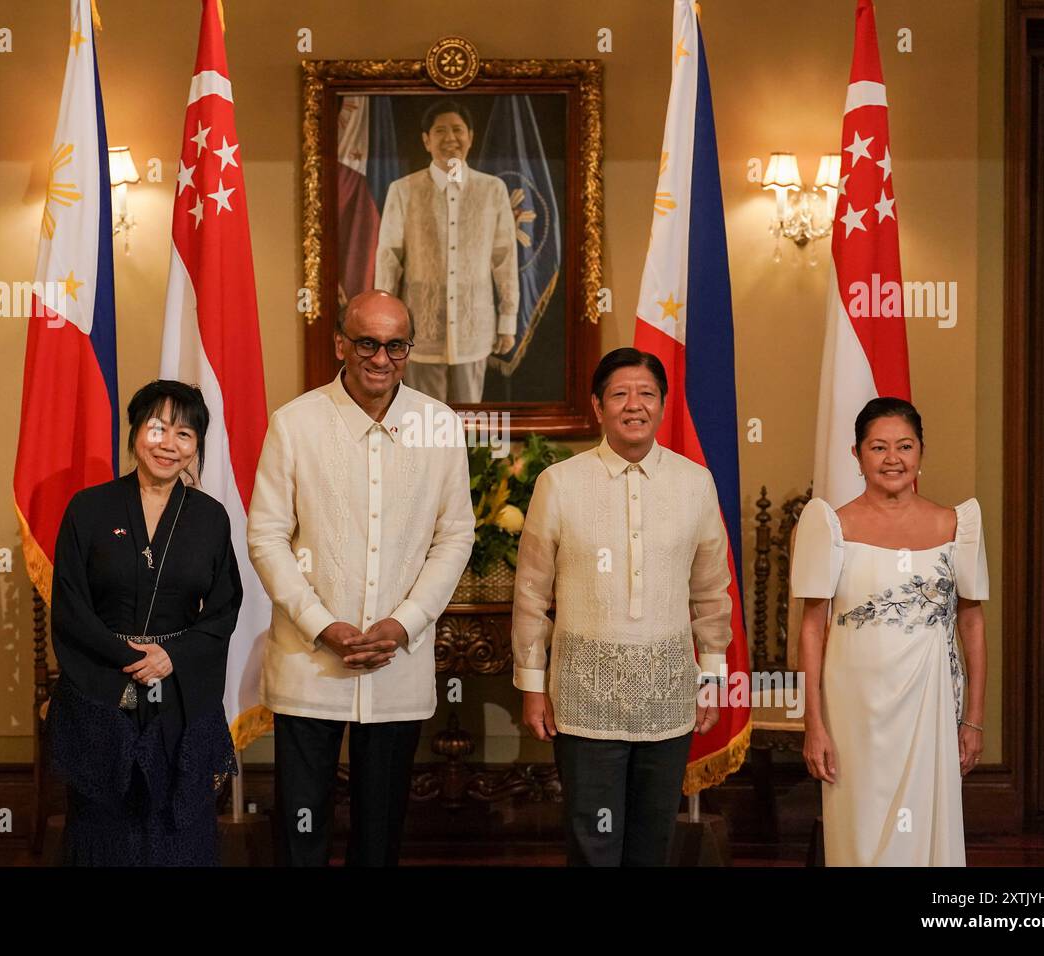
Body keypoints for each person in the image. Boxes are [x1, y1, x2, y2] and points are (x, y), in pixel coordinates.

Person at [248, 289, 475, 866]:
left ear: (409, 349)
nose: (381, 358)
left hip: (397, 663)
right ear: (341, 345)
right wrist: (321, 625)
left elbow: (455, 536)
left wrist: (404, 624)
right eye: (368, 343)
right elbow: (266, 536)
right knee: (302, 825)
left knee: (380, 832)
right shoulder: (295, 424)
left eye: (395, 345)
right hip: (309, 662)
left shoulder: (439, 425)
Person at [512, 348, 733, 866]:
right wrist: (530, 685)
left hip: (668, 697)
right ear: (597, 406)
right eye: (619, 394)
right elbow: (530, 594)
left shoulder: (694, 483)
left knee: (651, 842)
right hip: (583, 698)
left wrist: (712, 680)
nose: (634, 405)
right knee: (593, 843)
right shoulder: (560, 484)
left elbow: (710, 591)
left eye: (646, 393)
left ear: (663, 404)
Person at [47, 380, 242, 866]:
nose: (168, 444)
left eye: (184, 434)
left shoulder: (210, 517)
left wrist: (171, 658)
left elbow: (224, 607)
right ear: (136, 431)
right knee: (104, 823)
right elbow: (70, 604)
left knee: (179, 822)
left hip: (179, 688)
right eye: (157, 428)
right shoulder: (88, 509)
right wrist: (131, 658)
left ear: (196, 446)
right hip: (101, 686)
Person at [791, 397, 989, 866]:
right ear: (856, 455)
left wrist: (974, 719)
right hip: (852, 711)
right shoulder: (830, 525)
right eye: (878, 447)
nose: (893, 458)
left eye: (905, 446)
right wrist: (813, 724)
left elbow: (972, 622)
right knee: (860, 835)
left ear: (922, 451)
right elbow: (812, 628)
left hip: (931, 705)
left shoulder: (956, 525)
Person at [374, 98, 519, 404]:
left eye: (458, 130)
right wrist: (383, 324)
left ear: (471, 136)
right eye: (440, 131)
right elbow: (389, 259)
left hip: (474, 327)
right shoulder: (403, 190)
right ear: (427, 140)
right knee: (424, 423)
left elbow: (504, 258)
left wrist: (508, 320)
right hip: (422, 329)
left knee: (468, 424)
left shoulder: (492, 190)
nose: (450, 138)